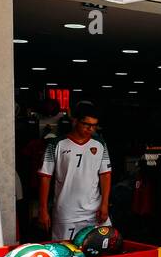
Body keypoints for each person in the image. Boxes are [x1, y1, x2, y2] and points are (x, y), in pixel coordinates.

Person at [38, 102, 112, 241]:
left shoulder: (100, 144)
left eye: (94, 125)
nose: (91, 129)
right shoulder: (56, 144)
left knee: (102, 251)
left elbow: (105, 175)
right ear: (75, 120)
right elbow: (45, 177)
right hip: (66, 213)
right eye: (86, 124)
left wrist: (104, 205)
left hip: (95, 212)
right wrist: (43, 210)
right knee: (67, 253)